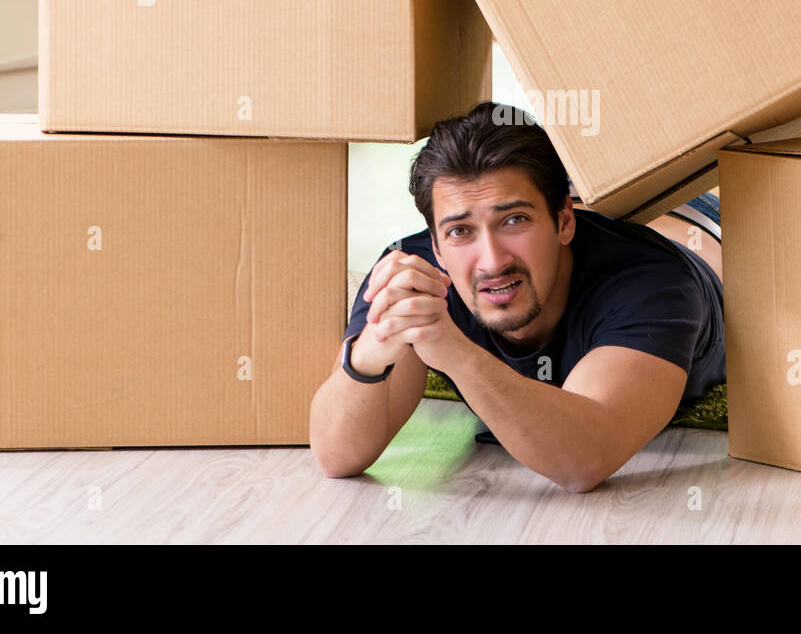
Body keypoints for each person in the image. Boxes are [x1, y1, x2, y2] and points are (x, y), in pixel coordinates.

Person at [309, 101, 725, 493]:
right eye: (460, 231)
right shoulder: (414, 271)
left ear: (564, 223)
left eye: (513, 221)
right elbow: (336, 458)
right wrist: (367, 355)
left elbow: (583, 461)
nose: (491, 262)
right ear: (435, 246)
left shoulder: (652, 284)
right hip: (565, 199)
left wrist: (454, 351)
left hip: (700, 223)